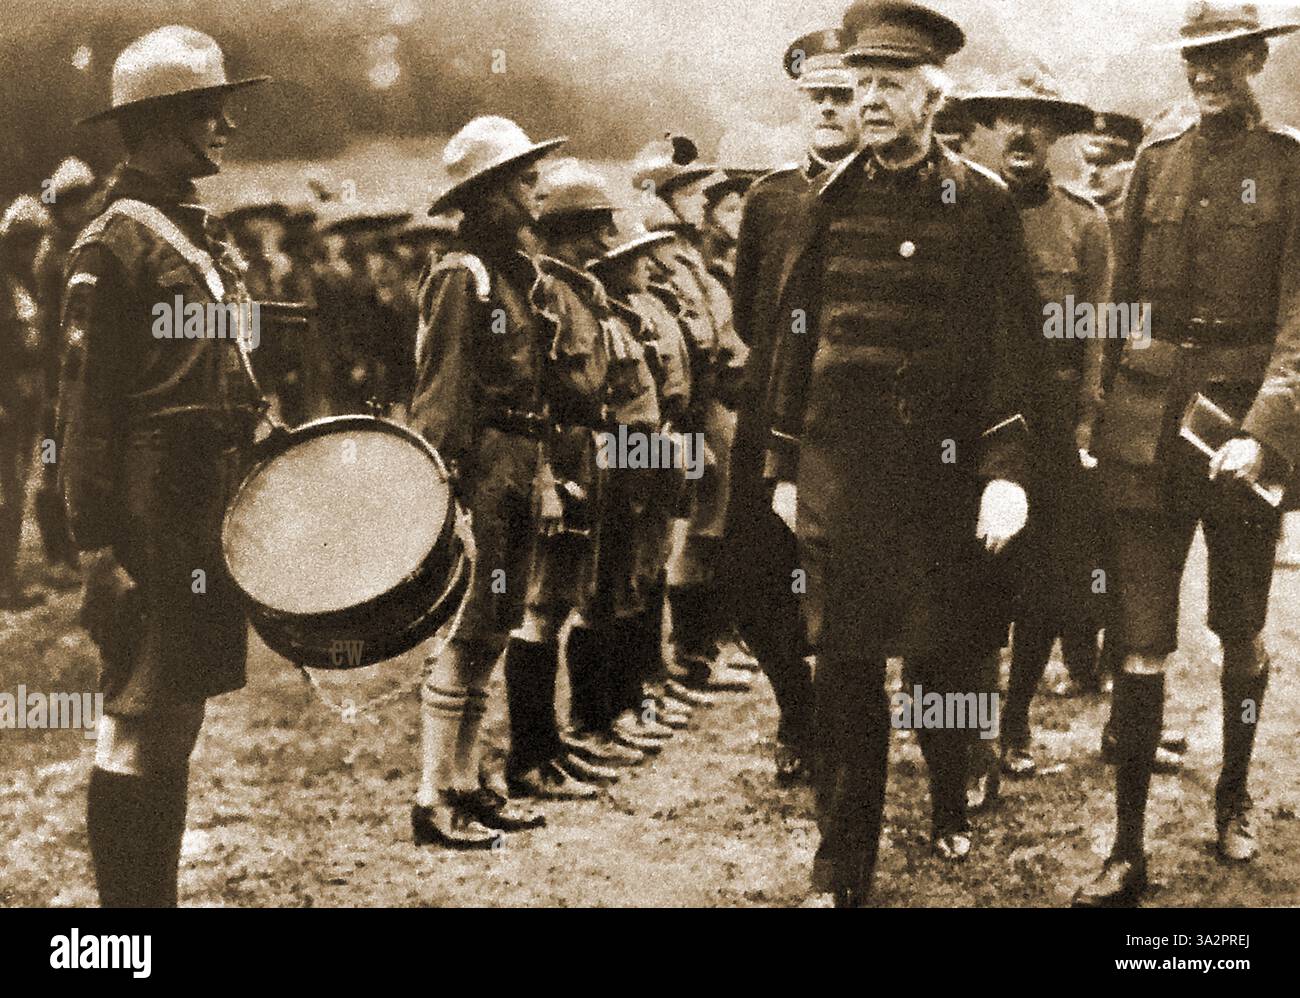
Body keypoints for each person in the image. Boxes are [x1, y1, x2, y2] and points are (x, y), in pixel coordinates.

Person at [764, 0, 1043, 906]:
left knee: (945, 657)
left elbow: (1015, 349)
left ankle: (953, 791)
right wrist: (781, 468)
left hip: (942, 473)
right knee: (844, 669)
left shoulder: (986, 204)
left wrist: (1004, 473)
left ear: (933, 97)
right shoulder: (828, 198)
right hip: (844, 471)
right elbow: (793, 340)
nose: (871, 100)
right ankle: (842, 870)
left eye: (891, 85)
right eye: (863, 84)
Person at [1073, 2, 1300, 906]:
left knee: (1239, 629)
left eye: (1223, 57)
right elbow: (1111, 308)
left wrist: (1266, 427)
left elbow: (1299, 326)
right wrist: (1093, 418)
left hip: (1242, 432)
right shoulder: (1155, 165)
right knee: (1139, 641)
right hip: (1145, 432)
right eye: (1193, 59)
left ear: (1253, 59)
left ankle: (1233, 794)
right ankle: (1127, 849)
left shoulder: (1289, 166)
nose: (1205, 73)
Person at [60, 25, 269, 906]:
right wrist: (98, 547)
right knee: (136, 722)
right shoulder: (115, 241)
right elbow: (83, 412)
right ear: (151, 123)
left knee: (176, 717)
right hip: (151, 510)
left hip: (201, 503)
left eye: (223, 105)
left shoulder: (191, 234)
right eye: (204, 108)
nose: (225, 124)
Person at [409, 116, 590, 850]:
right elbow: (443, 393)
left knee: (496, 629)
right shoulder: (465, 275)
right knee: (468, 626)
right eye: (521, 179)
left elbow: (540, 394)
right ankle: (431, 794)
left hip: (517, 461)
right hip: (479, 467)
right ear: (486, 196)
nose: (536, 189)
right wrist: (441, 489)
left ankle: (469, 781)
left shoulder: (517, 276)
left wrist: (543, 473)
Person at [957, 65, 1113, 779]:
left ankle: (1015, 719)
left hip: (1052, 422)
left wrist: (1084, 427)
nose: (1022, 131)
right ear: (991, 127)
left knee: (1048, 583)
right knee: (974, 578)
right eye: (1008, 116)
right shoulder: (963, 203)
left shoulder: (1084, 223)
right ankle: (971, 731)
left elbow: (1095, 338)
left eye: (1038, 118)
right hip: (972, 413)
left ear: (1055, 133)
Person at [725, 25, 863, 787]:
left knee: (852, 582)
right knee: (752, 584)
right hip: (771, 415)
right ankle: (797, 713)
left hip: (853, 419)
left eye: (844, 97)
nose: (830, 111)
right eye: (818, 97)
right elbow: (751, 316)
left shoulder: (888, 196)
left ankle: (850, 726)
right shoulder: (770, 198)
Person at [35, 157, 99, 582]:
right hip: (57, 369)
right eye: (73, 202)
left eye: (84, 199)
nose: (82, 208)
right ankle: (57, 553)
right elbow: (50, 324)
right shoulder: (53, 255)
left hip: (80, 367)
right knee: (53, 456)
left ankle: (76, 545)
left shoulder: (80, 246)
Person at [0, 196, 54, 609]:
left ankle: (9, 578)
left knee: (15, 490)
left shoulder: (20, 282)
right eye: (26, 242)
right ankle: (5, 584)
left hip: (21, 401)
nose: (33, 249)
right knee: (6, 492)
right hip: (5, 404)